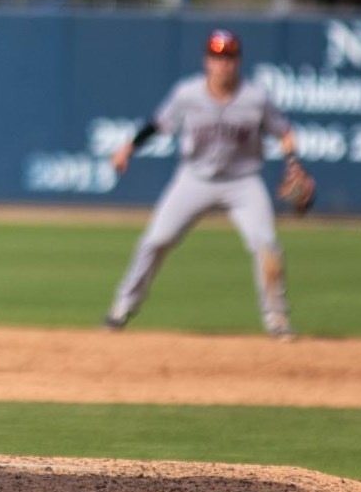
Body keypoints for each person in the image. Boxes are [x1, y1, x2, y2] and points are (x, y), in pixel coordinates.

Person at [104, 28, 300, 341]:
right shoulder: (188, 94)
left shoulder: (255, 98)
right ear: (207, 61)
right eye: (217, 57)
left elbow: (285, 132)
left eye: (229, 57)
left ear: (239, 61)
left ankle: (276, 317)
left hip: (243, 182)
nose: (223, 64)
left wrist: (293, 163)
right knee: (156, 240)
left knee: (267, 245)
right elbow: (158, 124)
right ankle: (122, 307)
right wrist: (129, 147)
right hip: (194, 179)